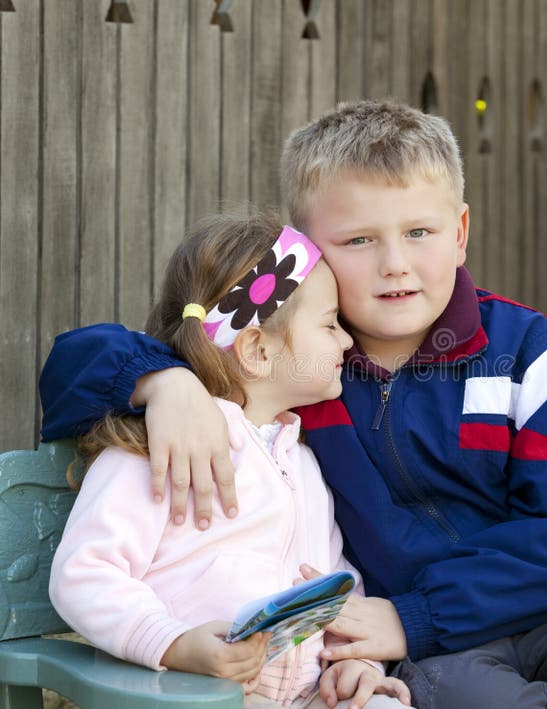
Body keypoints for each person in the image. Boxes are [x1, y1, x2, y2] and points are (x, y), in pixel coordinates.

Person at [41, 100, 547, 709]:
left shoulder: (528, 355)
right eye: (359, 240)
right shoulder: (306, 371)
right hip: (438, 657)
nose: (394, 263)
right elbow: (103, 355)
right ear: (302, 255)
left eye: (419, 233)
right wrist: (167, 383)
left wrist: (417, 615)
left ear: (459, 233)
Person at [47, 211, 411, 709]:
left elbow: (331, 584)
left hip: (307, 693)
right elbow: (85, 573)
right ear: (258, 350)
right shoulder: (159, 446)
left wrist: (355, 662)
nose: (347, 341)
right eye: (329, 325)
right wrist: (174, 645)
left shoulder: (302, 459)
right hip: (193, 694)